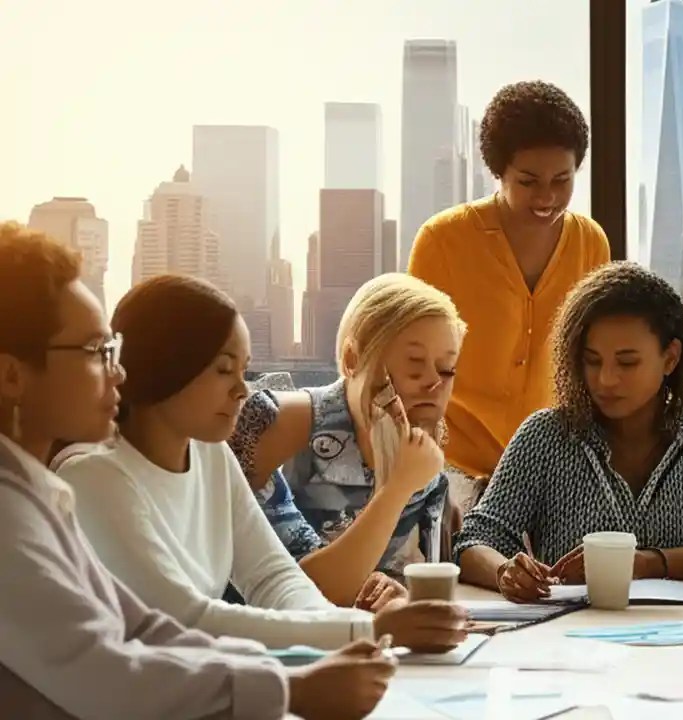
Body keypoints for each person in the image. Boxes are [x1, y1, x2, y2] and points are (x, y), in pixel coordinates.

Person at [0, 222, 394, 719]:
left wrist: (329, 652)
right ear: (11, 375)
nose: (118, 371)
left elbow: (146, 628)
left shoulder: (35, 497)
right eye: (96, 353)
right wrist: (294, 688)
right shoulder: (16, 515)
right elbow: (107, 673)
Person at [57, 274, 468, 652]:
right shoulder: (92, 477)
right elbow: (184, 619)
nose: (242, 390)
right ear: (167, 366)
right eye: (223, 370)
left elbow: (275, 578)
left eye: (244, 369)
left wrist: (356, 637)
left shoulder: (209, 454)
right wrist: (366, 632)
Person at [455, 263, 683, 602]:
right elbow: (475, 540)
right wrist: (505, 572)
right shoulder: (544, 436)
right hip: (570, 638)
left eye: (627, 363)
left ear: (670, 358)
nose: (606, 379)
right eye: (593, 360)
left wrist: (646, 564)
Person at [408, 80, 610, 500]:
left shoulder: (591, 242)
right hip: (454, 470)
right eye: (529, 181)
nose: (548, 197)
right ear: (499, 171)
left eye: (562, 179)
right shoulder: (443, 241)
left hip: (552, 470)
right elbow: (412, 363)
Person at [229, 273, 464, 607]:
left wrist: (398, 593)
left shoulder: (423, 450)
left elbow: (418, 579)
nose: (433, 383)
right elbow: (300, 593)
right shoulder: (278, 425)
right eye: (414, 365)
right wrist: (397, 488)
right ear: (353, 359)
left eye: (447, 370)